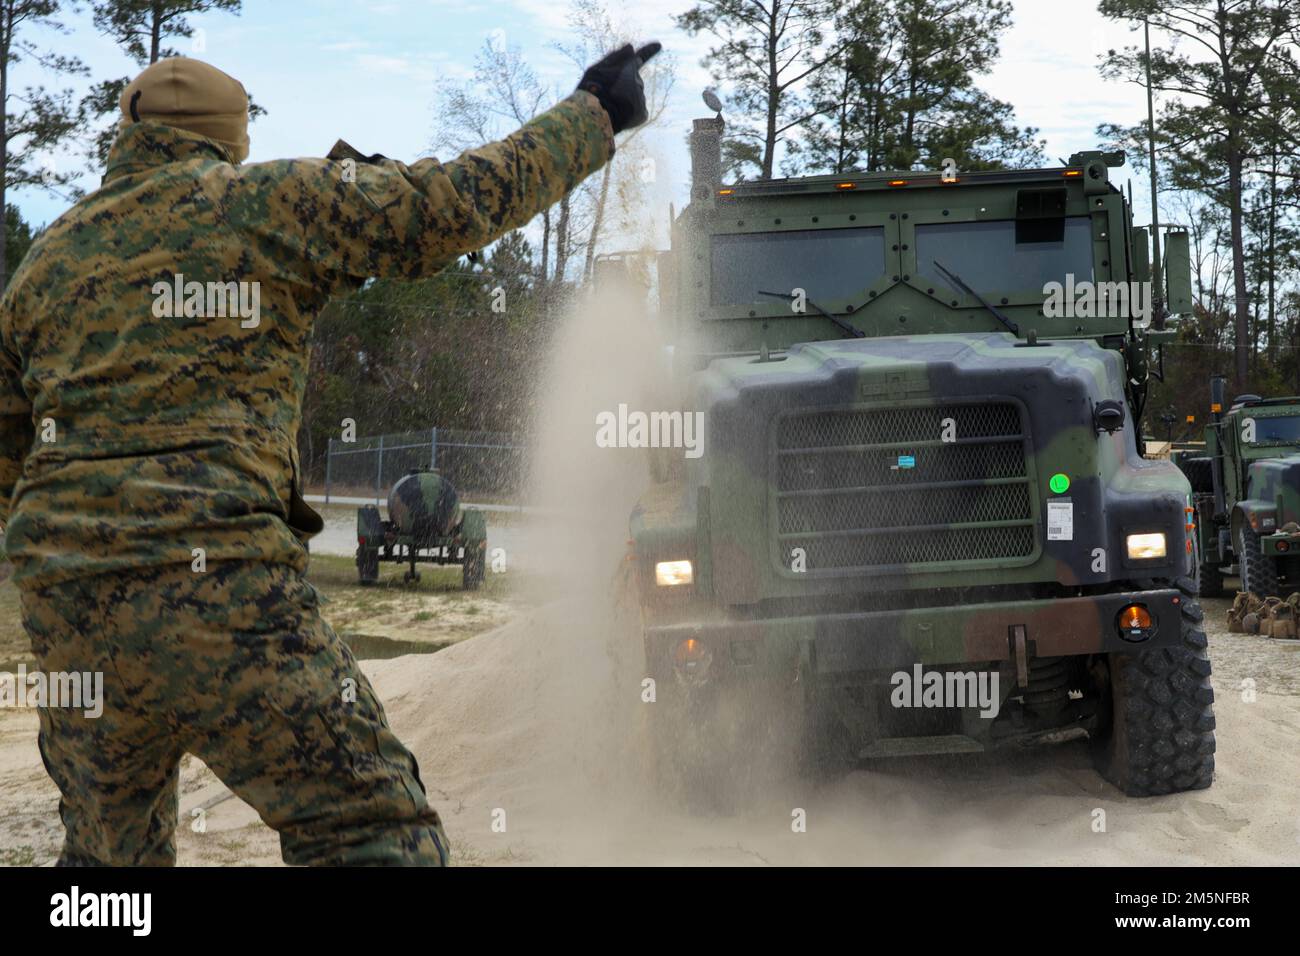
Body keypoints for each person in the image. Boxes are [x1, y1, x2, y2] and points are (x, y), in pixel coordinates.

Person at [0, 42, 660, 866]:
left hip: (70, 615)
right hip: (225, 596)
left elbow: (9, 458)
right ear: (229, 137)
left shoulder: (42, 265)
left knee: (107, 867)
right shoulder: (262, 203)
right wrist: (593, 114)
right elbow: (444, 207)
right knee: (373, 835)